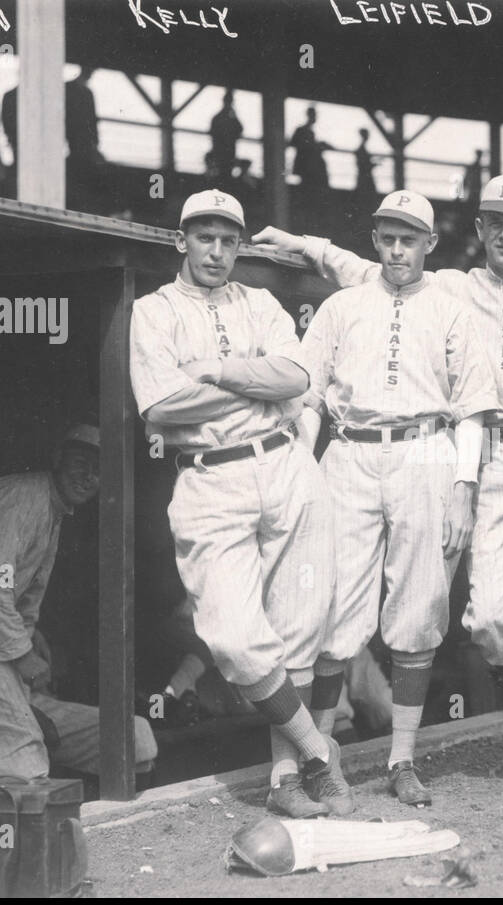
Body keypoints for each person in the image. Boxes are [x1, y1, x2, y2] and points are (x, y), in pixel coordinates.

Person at [252, 175, 503, 797]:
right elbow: (353, 284)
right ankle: (326, 759)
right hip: (410, 449)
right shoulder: (436, 289)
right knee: (390, 615)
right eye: (494, 221)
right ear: (478, 229)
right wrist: (302, 242)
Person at [128, 189, 351, 819]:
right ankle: (315, 753)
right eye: (205, 236)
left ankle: (285, 779)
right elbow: (161, 408)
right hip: (209, 477)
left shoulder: (262, 301)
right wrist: (259, 381)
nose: (217, 251)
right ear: (182, 241)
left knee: (299, 630)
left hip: (284, 462)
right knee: (231, 635)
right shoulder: (154, 310)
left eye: (229, 239)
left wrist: (217, 373)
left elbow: (300, 379)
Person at [296, 190, 499, 807]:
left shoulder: (453, 310)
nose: (396, 249)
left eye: (409, 238)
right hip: (350, 451)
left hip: (425, 451)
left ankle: (402, 759)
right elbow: (307, 394)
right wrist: (303, 468)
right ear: (375, 239)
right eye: (387, 236)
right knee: (333, 611)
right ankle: (319, 757)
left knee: (418, 610)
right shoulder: (341, 305)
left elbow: (472, 409)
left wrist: (464, 488)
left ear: (429, 245)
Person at [0, 425, 158, 784]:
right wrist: (22, 654)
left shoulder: (50, 512)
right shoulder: (27, 496)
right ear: (58, 459)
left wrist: (24, 659)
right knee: (15, 752)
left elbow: (19, 599)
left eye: (99, 470)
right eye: (80, 463)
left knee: (134, 742)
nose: (88, 477)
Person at [290, 105, 329, 192]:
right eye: (314, 115)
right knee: (307, 187)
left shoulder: (306, 131)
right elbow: (296, 143)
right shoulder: (302, 130)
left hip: (306, 166)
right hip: (307, 166)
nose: (315, 117)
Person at [208, 89, 243, 176]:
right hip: (226, 150)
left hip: (221, 151)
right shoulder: (227, 118)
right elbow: (240, 129)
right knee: (225, 171)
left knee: (223, 171)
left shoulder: (218, 117)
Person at [354, 128, 377, 198]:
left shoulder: (361, 148)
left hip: (363, 175)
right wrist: (373, 164)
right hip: (365, 176)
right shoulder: (361, 148)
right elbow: (364, 165)